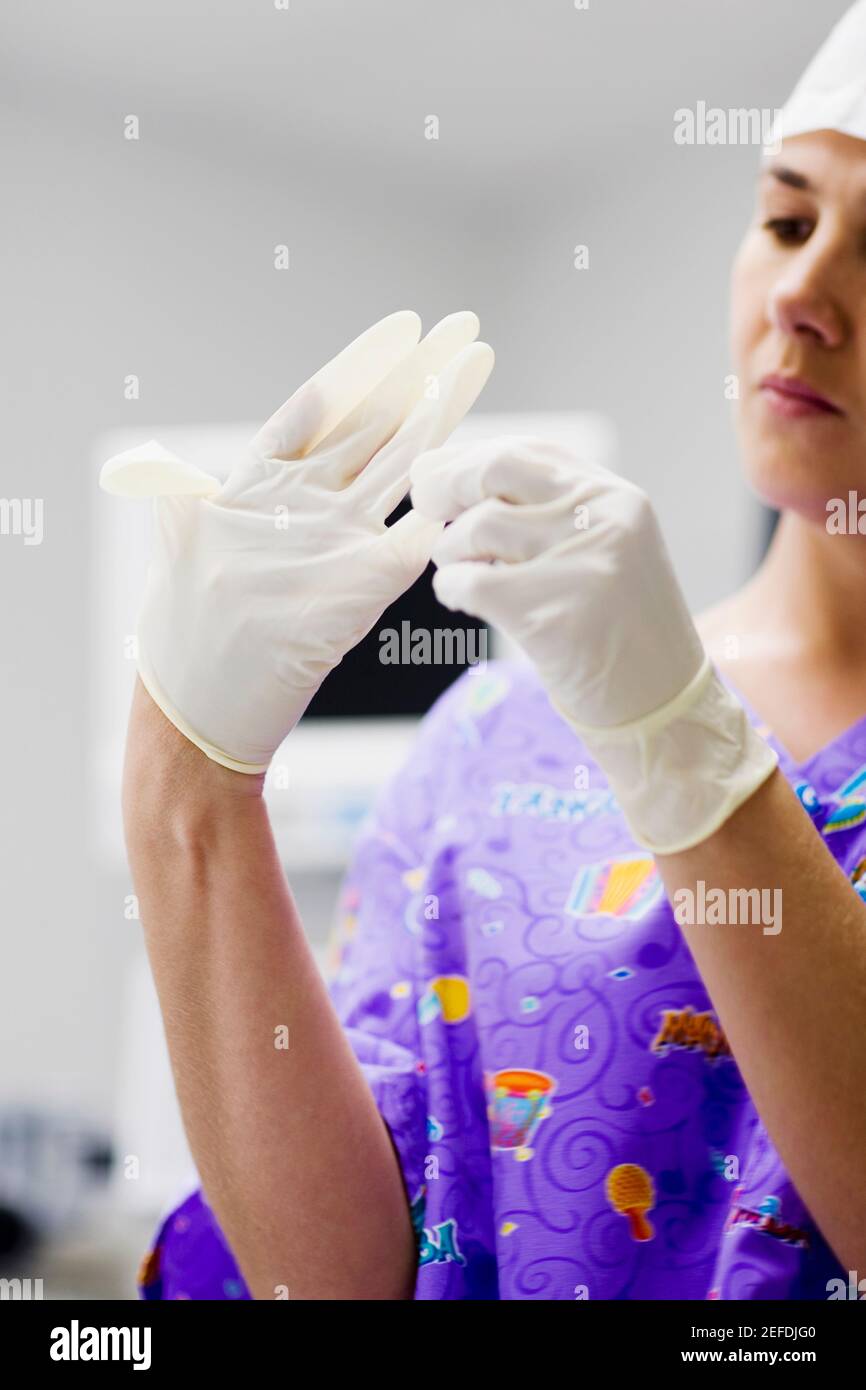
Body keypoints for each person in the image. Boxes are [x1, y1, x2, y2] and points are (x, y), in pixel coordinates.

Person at [115, 3, 866, 1300]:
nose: (801, 294)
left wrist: (677, 743)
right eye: (786, 219)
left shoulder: (624, 702)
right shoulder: (494, 737)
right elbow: (340, 1277)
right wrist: (186, 778)